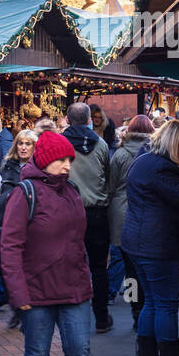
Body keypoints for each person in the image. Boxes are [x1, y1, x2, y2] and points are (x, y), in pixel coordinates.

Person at [0, 131, 95, 356]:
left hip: (74, 289)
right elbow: (10, 245)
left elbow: (79, 240)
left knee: (79, 352)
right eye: (60, 159)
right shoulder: (24, 192)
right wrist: (18, 292)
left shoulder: (72, 191)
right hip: (36, 291)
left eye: (69, 159)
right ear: (44, 159)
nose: (66, 165)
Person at [122, 118, 179, 356]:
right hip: (157, 246)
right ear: (175, 142)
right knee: (165, 305)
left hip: (138, 243)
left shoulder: (144, 159)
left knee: (152, 303)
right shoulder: (162, 169)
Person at [63, 102, 113, 333]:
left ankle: (74, 320)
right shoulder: (101, 144)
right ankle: (101, 317)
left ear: (67, 119)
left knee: (70, 266)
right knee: (98, 268)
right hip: (96, 213)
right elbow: (108, 175)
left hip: (67, 212)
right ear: (88, 120)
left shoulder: (61, 143)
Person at [0, 128, 38, 324]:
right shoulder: (8, 165)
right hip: (8, 221)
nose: (23, 147)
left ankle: (24, 307)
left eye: (27, 144)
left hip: (30, 222)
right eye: (20, 143)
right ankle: (16, 306)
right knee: (5, 263)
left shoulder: (38, 166)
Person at [108, 115, 153, 337]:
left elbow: (112, 184)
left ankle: (135, 309)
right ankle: (147, 308)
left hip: (121, 211)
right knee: (146, 265)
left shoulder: (121, 153)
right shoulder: (154, 152)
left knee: (129, 270)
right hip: (146, 212)